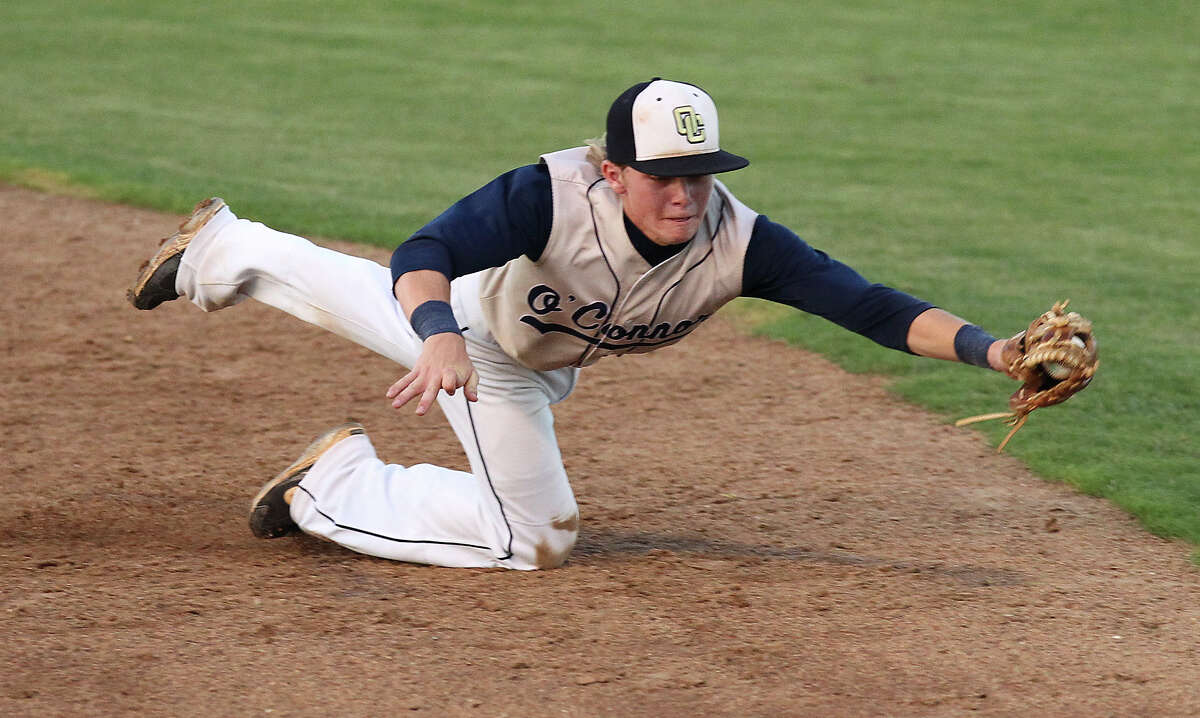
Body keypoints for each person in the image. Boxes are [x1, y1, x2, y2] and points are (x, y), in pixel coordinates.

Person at [128, 78, 1009, 570]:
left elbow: (870, 306)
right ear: (613, 170)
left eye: (699, 173)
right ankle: (333, 487)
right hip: (479, 338)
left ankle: (224, 249)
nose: (684, 194)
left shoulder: (742, 243)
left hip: (533, 356)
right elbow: (426, 249)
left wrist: (993, 350)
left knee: (386, 305)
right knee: (535, 542)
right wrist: (438, 333)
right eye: (662, 175)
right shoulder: (549, 196)